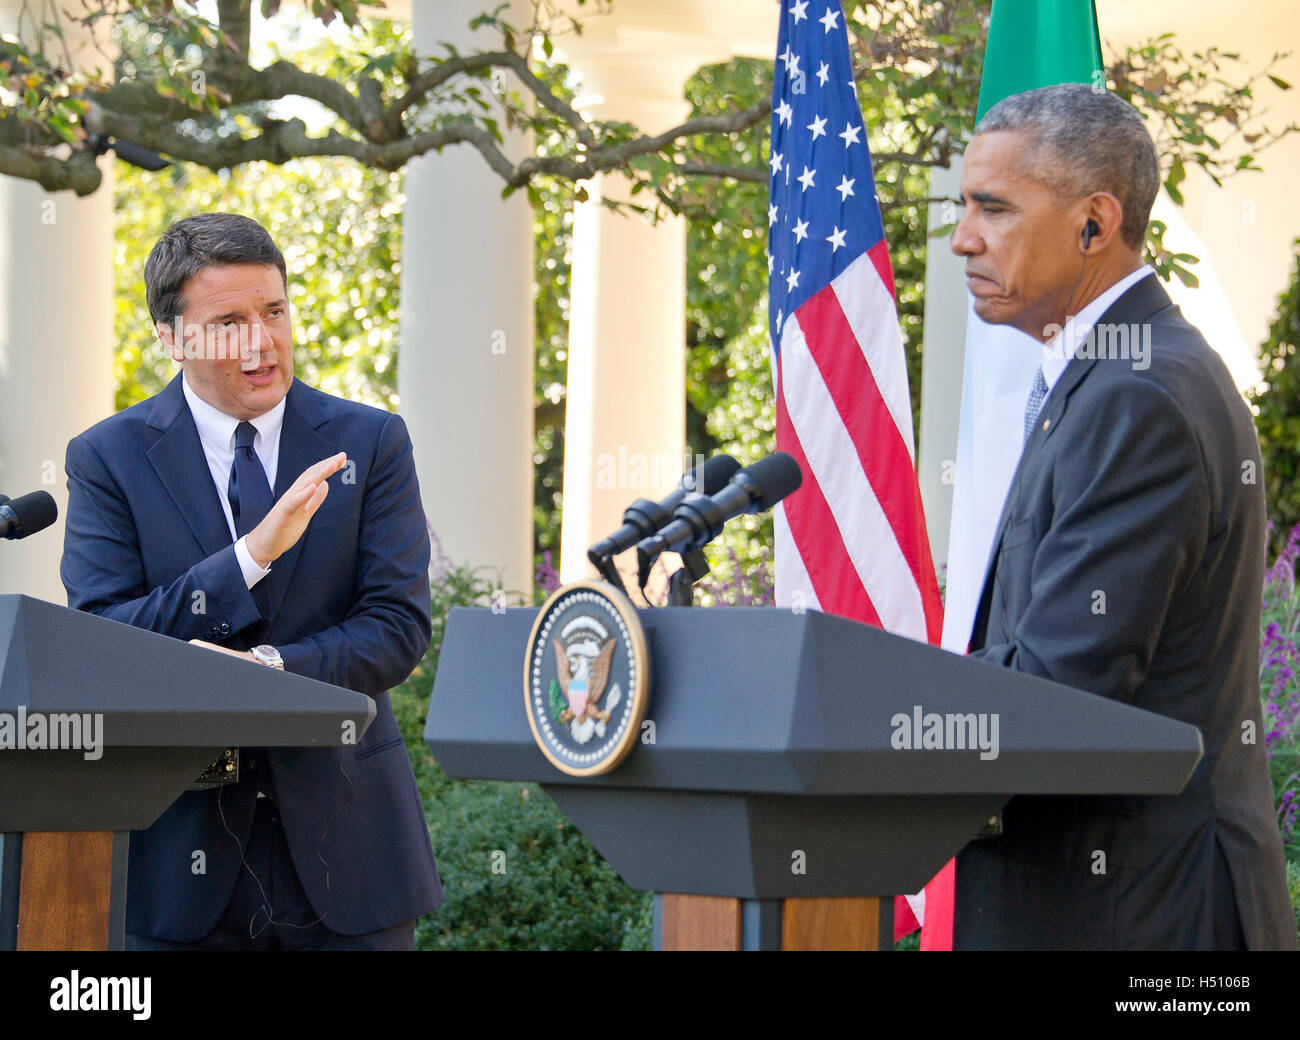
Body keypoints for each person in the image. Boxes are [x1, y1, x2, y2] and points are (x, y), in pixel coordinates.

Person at [949, 83, 1296, 950]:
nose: (963, 239)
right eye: (964, 208)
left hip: (1141, 917)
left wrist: (872, 708)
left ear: (1095, 224)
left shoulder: (1138, 396)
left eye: (992, 208)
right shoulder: (1113, 376)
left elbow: (1066, 692)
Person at [61, 213, 442, 950]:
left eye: (274, 311)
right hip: (176, 870)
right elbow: (108, 639)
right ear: (172, 340)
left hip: (350, 861)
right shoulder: (107, 459)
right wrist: (250, 558)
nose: (264, 342)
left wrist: (267, 672)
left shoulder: (372, 442)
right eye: (229, 322)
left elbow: (397, 629)